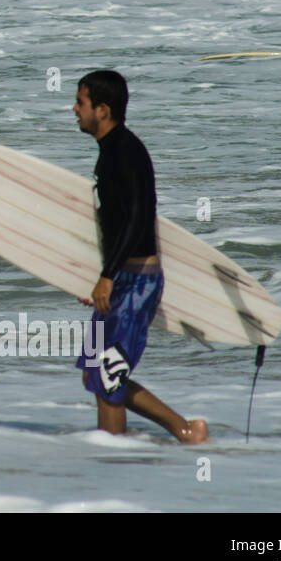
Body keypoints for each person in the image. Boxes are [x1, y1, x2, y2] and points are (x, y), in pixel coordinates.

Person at [72, 70, 207, 444]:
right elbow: (115, 226)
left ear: (102, 109)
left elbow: (137, 218)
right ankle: (181, 430)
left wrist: (108, 277)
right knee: (94, 374)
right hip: (118, 281)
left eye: (80, 103)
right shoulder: (110, 151)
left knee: (107, 376)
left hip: (134, 283)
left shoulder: (125, 152)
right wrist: (100, 279)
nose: (74, 109)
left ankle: (124, 461)